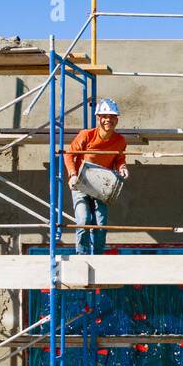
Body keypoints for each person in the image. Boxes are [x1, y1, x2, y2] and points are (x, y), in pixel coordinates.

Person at [65, 98, 129, 254]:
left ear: (117, 119)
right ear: (98, 118)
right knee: (83, 220)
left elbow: (119, 159)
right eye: (104, 117)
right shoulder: (86, 135)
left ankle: (98, 256)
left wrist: (123, 167)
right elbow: (69, 155)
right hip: (81, 183)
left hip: (102, 185)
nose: (108, 120)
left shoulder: (119, 141)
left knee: (100, 223)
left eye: (112, 117)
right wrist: (72, 175)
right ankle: (82, 255)